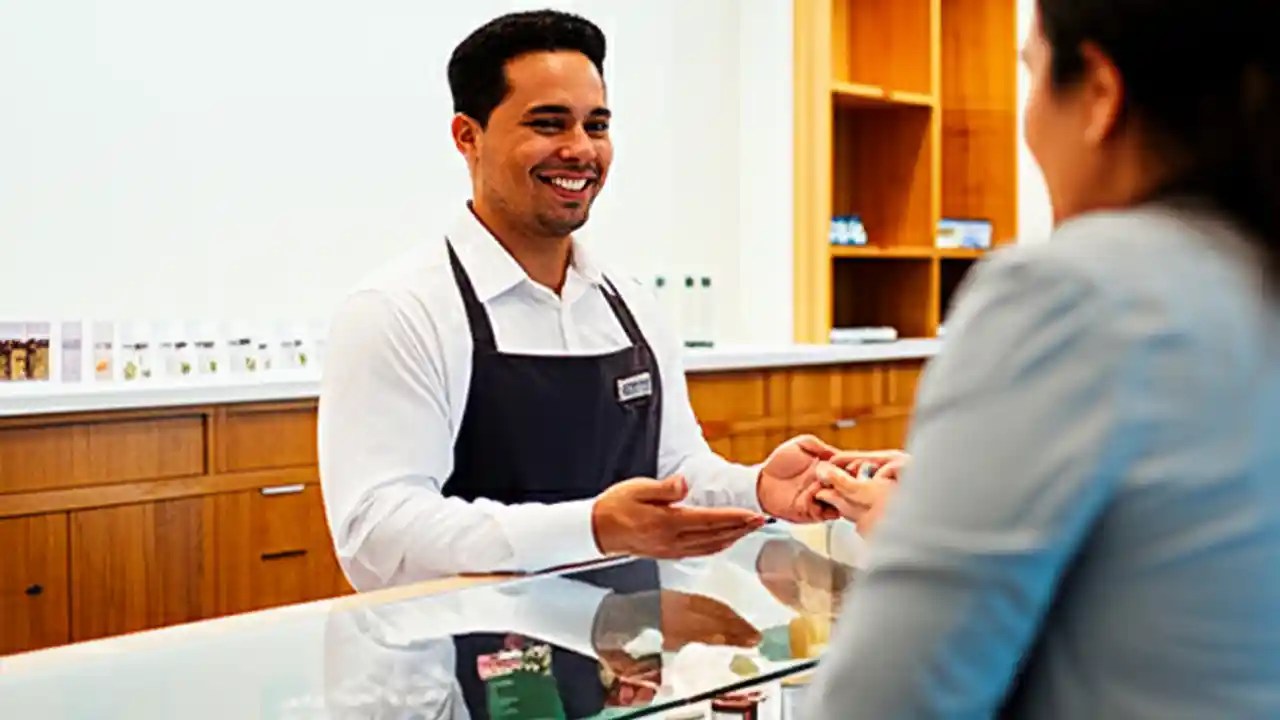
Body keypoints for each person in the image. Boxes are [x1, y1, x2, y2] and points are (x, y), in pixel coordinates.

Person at [806, 1, 1280, 717]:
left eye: (1029, 76)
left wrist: (926, 537)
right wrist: (941, 505)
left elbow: (892, 696)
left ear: (1097, 92)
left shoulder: (1074, 291)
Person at [317, 10, 853, 592]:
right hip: (453, 670)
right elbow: (377, 534)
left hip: (623, 661)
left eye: (595, 126)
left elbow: (673, 471)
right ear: (467, 137)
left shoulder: (631, 305)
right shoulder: (397, 313)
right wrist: (594, 527)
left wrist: (758, 489)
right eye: (548, 125)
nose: (579, 150)